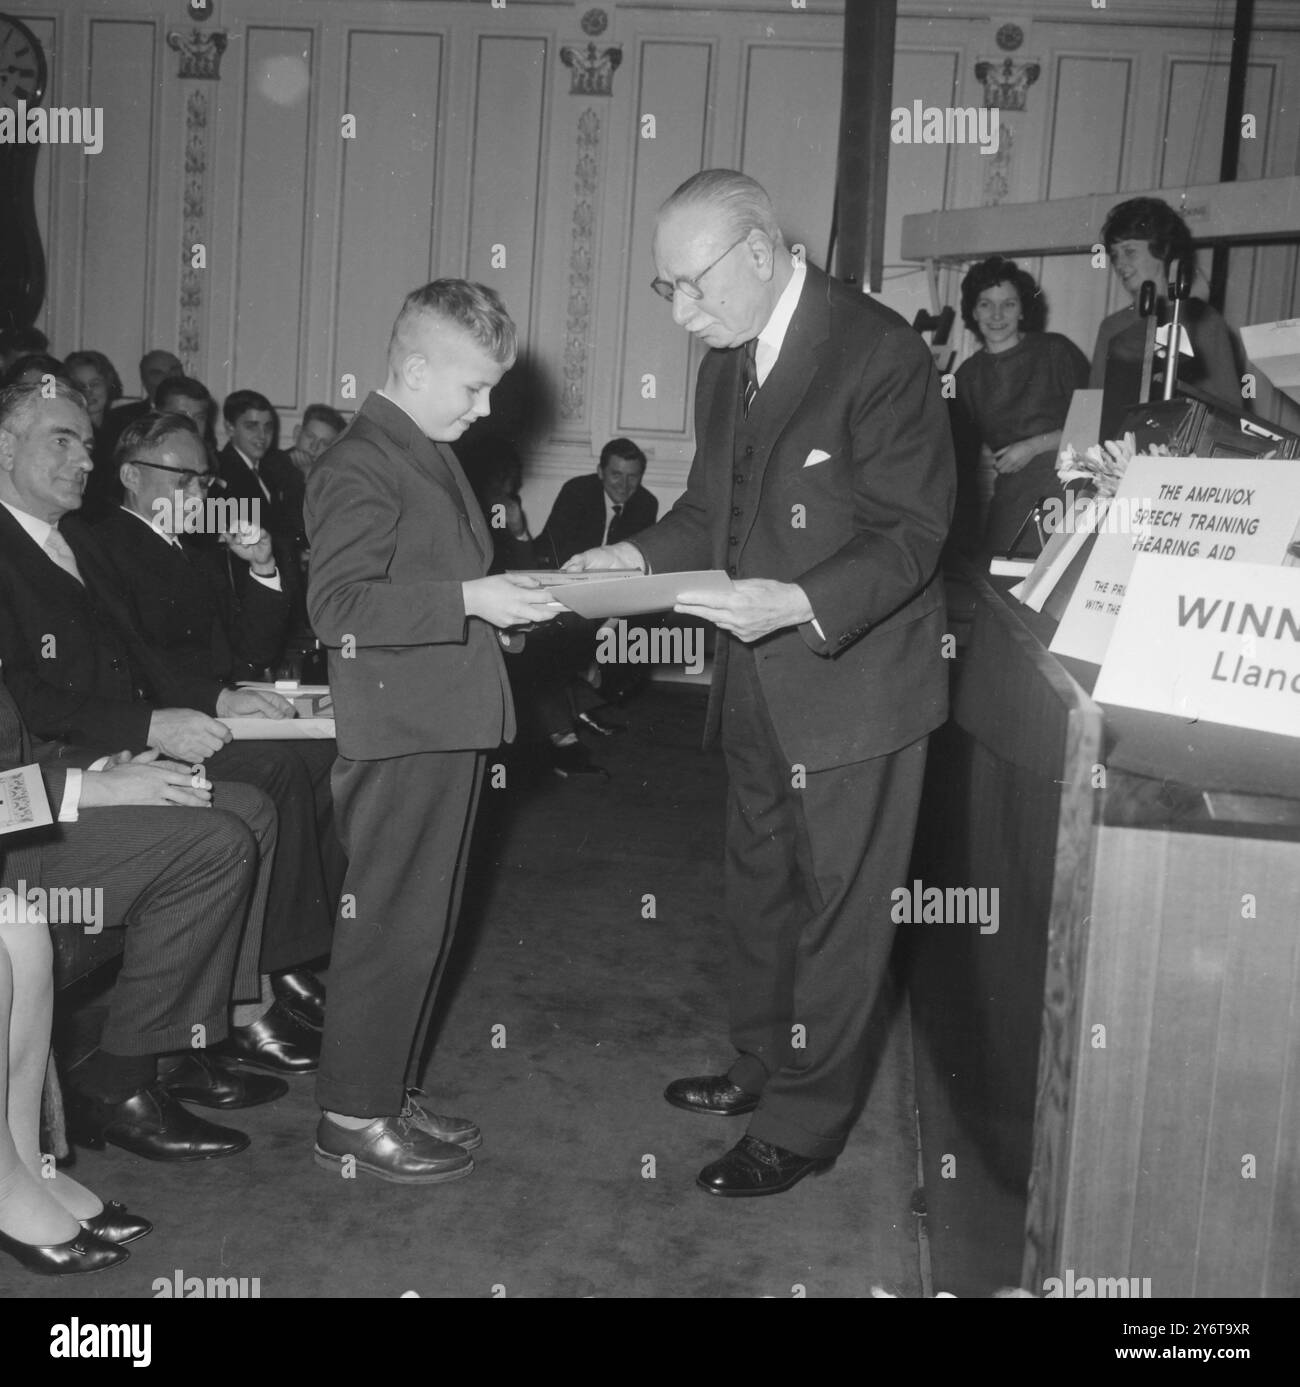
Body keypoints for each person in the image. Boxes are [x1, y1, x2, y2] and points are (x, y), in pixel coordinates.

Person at [566, 170, 954, 1197]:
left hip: (854, 682)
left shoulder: (877, 350)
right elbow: (709, 512)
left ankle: (805, 1122)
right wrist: (636, 561)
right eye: (666, 294)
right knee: (759, 889)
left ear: (755, 248)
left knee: (840, 911)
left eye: (689, 287)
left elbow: (911, 532)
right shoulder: (723, 368)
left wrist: (797, 602)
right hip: (751, 684)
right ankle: (758, 1058)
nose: (684, 316)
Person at [0, 381, 330, 1080]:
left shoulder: (68, 542)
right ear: (4, 445)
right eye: (61, 442)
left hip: (77, 763)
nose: (82, 461)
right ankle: (126, 1078)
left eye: (86, 445)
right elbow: (35, 705)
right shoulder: (70, 543)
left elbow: (176, 657)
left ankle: (207, 1026)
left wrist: (260, 576)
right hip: (29, 805)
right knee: (223, 827)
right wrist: (122, 758)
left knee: (253, 802)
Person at [305, 279, 559, 1184]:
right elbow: (336, 606)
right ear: (414, 369)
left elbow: (432, 579)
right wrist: (469, 600)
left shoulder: (422, 445)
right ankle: (351, 1116)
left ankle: (382, 1088)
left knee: (422, 922)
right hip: (403, 730)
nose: (488, 407)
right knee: (390, 926)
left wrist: (500, 613)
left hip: (441, 720)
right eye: (474, 388)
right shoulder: (361, 462)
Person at [0, 664, 283, 1181]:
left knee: (246, 806)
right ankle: (118, 1085)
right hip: (10, 850)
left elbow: (10, 750)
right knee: (214, 844)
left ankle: (175, 1048)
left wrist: (105, 768)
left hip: (23, 809)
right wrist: (92, 789)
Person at [950, 257, 1089, 557]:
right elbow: (957, 458)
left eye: (1009, 304)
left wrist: (1033, 446)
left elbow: (1098, 423)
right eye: (986, 304)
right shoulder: (967, 375)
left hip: (1070, 482)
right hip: (1013, 488)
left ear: (1023, 309)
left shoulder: (1056, 350)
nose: (997, 314)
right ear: (973, 311)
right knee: (998, 579)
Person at [1089, 196, 1243, 405]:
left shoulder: (1204, 322)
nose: (1119, 263)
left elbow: (1230, 407)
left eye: (1129, 251)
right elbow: (1093, 404)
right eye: (1115, 255)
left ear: (1163, 251)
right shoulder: (1112, 327)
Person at [535, 437, 659, 568]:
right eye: (616, 475)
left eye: (632, 477)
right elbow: (552, 547)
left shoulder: (646, 504)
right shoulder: (576, 492)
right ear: (600, 472)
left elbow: (639, 558)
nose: (624, 485)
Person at [64, 349, 125, 520]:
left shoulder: (125, 426)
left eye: (95, 384)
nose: (88, 391)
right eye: (80, 386)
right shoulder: (66, 430)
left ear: (108, 384)